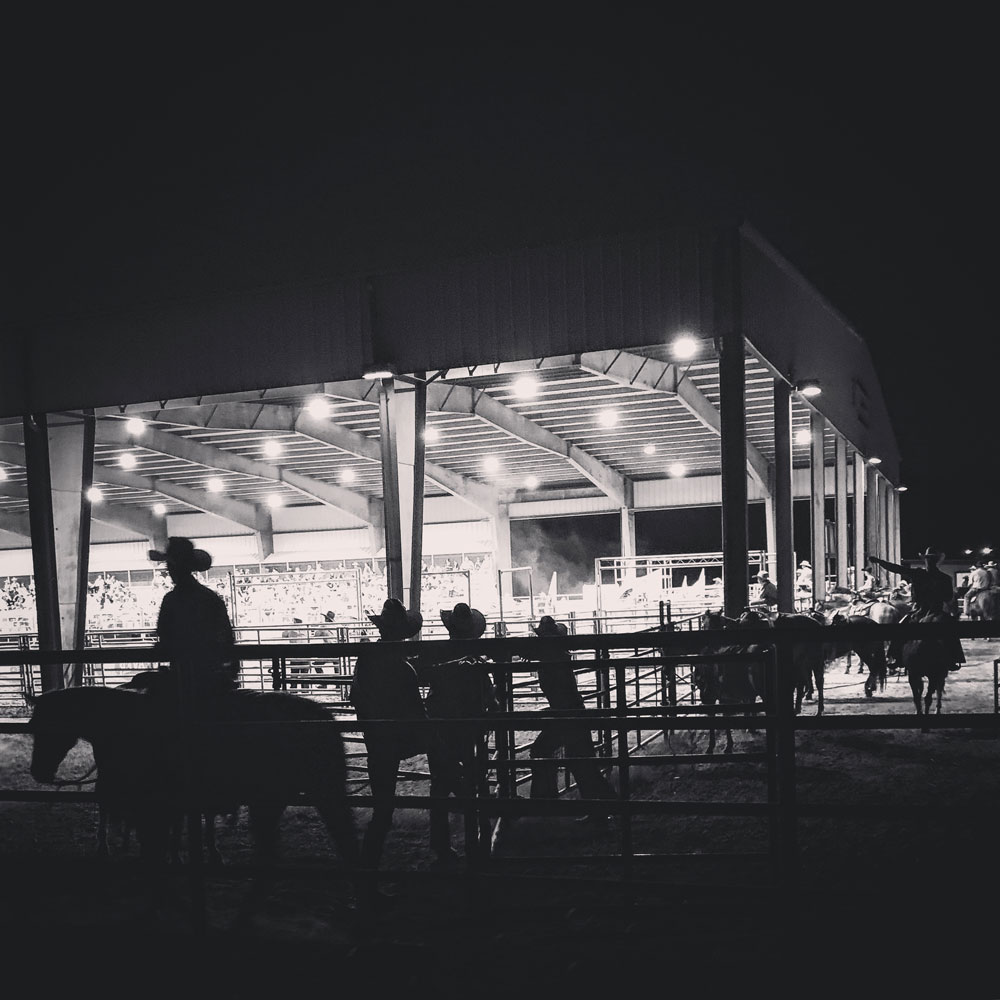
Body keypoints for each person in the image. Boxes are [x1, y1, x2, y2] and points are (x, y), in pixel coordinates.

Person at [413, 602, 498, 867]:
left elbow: (421, 674)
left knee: (440, 782)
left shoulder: (438, 653)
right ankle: (475, 839)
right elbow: (489, 694)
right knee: (473, 778)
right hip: (467, 726)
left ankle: (442, 845)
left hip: (440, 724)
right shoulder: (474, 659)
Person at [349, 598, 428, 870]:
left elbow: (356, 697)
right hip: (396, 736)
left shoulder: (367, 658)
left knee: (382, 807)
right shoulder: (403, 669)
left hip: (376, 737)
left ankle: (367, 869)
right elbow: (417, 713)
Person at [526, 616, 617, 820]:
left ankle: (545, 805)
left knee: (550, 754)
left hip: (566, 716)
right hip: (571, 714)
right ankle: (607, 805)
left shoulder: (551, 659)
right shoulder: (557, 656)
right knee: (581, 763)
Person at [149, 537, 238, 716]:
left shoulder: (171, 600)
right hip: (212, 676)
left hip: (181, 678)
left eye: (170, 565)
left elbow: (164, 637)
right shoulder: (210, 598)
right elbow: (226, 637)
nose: (169, 570)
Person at [868, 548, 965, 670]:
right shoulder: (945, 578)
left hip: (919, 611)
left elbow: (897, 569)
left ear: (926, 560)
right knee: (951, 629)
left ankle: (896, 658)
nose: (929, 561)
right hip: (937, 611)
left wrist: (879, 561)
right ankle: (954, 659)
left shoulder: (918, 573)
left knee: (900, 628)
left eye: (930, 559)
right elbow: (948, 597)